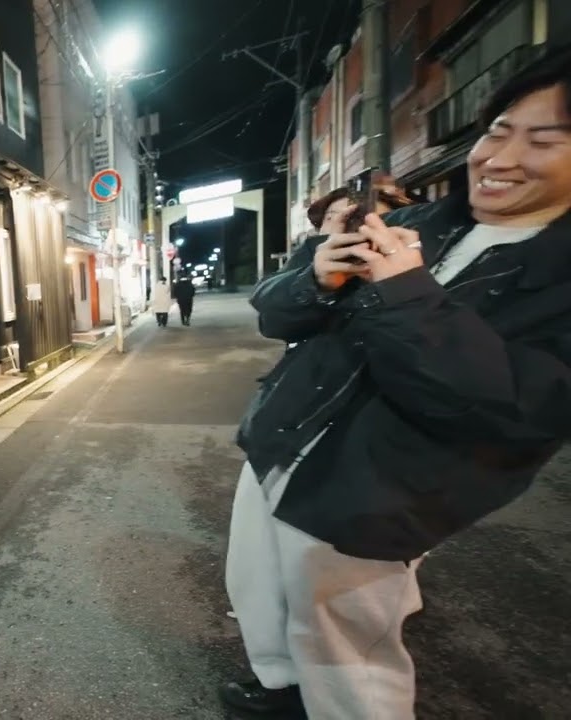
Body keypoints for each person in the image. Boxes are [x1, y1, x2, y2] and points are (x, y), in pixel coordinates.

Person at [222, 44, 571, 719]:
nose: (501, 157)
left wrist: (406, 289)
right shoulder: (413, 223)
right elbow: (272, 310)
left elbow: (514, 407)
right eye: (498, 130)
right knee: (262, 591)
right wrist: (318, 277)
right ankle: (284, 694)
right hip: (281, 446)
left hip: (377, 493)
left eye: (545, 140)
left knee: (348, 655)